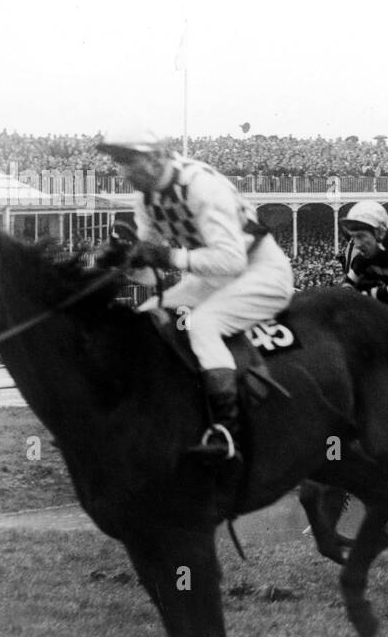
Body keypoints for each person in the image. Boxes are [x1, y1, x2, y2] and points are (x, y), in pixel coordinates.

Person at [96, 128, 294, 463]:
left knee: (203, 324)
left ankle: (228, 432)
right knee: (145, 314)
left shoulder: (201, 187)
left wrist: (171, 257)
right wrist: (127, 263)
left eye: (129, 162)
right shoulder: (145, 199)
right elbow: (151, 272)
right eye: (119, 163)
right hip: (210, 276)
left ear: (156, 157)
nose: (123, 172)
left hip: (261, 272)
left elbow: (232, 261)